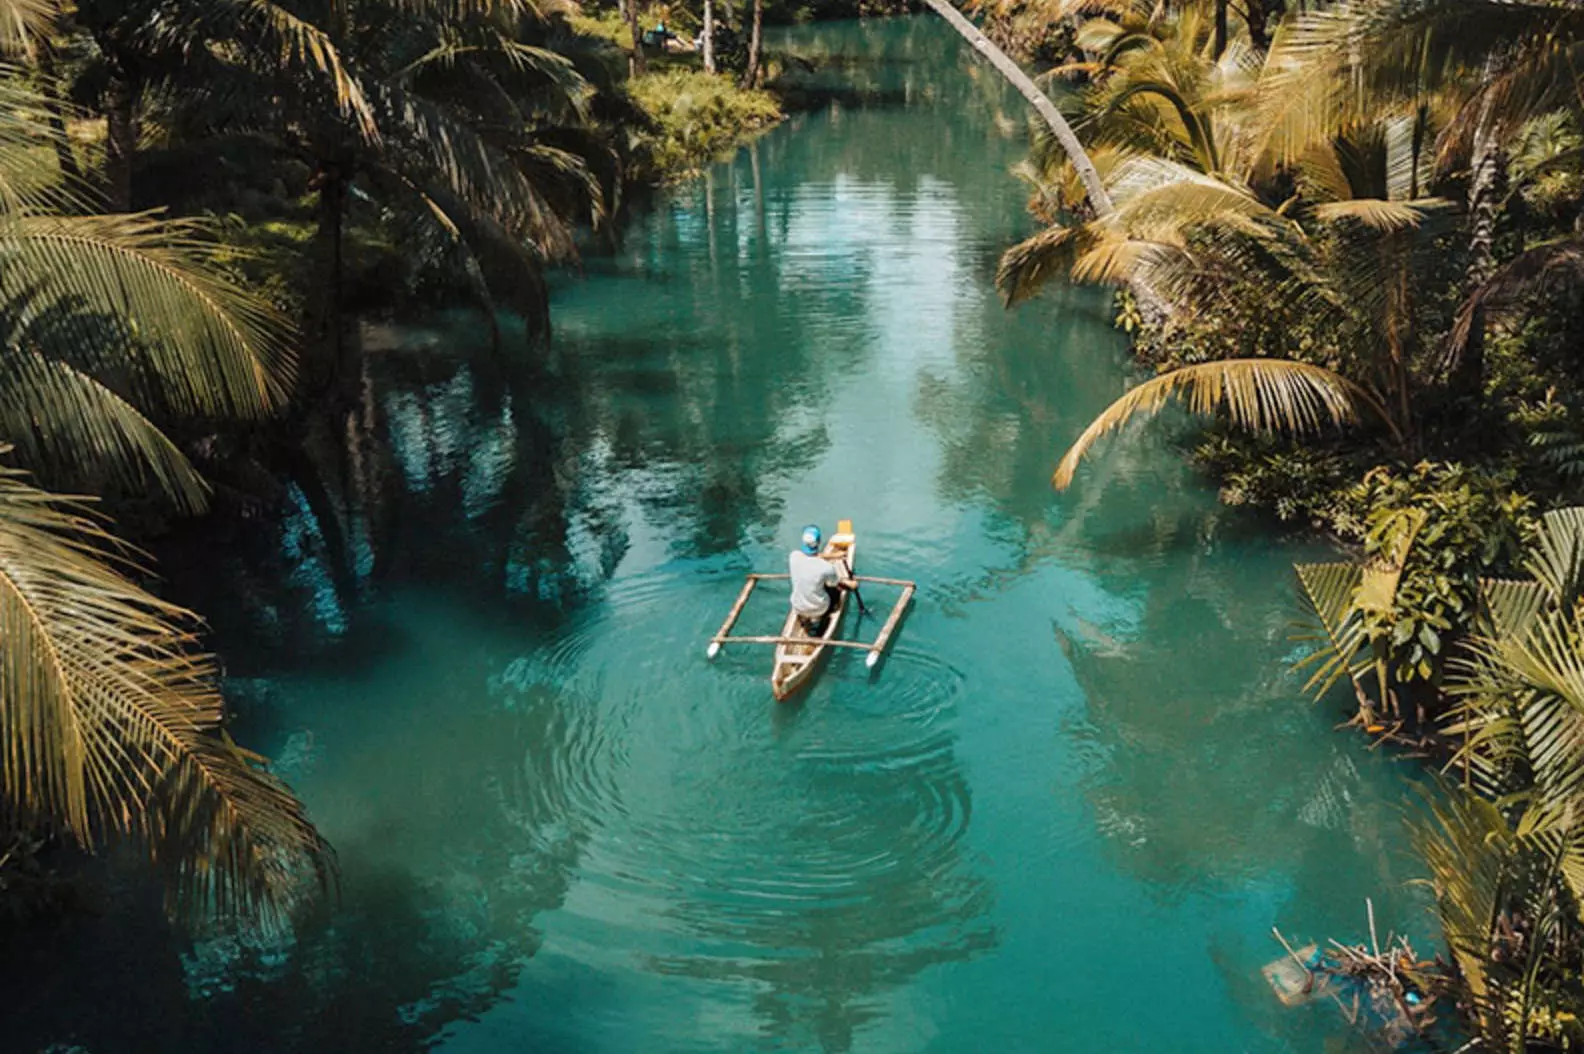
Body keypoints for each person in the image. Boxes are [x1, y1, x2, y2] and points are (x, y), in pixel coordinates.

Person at [788, 524, 856, 636]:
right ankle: (824, 622)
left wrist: (832, 556)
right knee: (835, 589)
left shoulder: (793, 556)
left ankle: (807, 621)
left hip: (797, 606)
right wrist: (852, 584)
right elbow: (836, 583)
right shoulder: (826, 568)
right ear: (818, 543)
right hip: (819, 608)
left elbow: (812, 557)